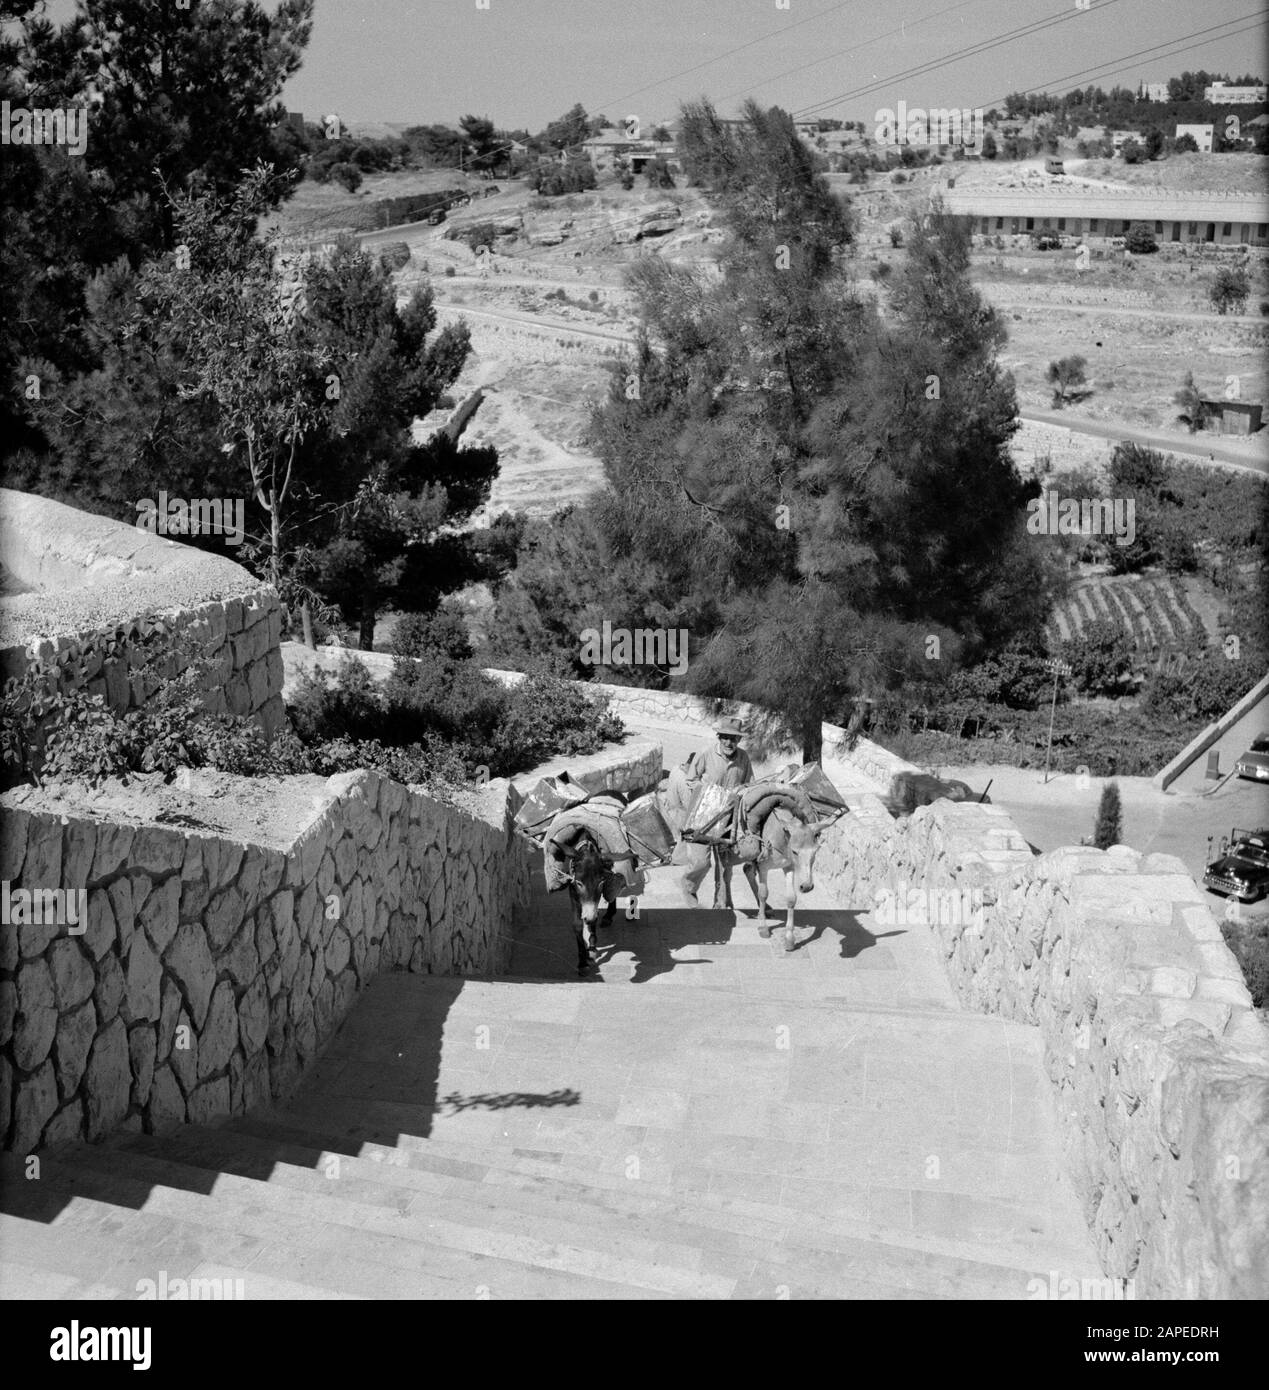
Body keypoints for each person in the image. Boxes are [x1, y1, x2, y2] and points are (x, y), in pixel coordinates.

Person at [677, 717, 753, 903]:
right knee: (701, 862)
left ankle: (720, 903)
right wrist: (707, 792)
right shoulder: (706, 753)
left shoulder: (743, 757)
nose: (729, 742)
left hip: (729, 819)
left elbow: (749, 784)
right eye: (725, 737)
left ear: (739, 741)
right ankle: (688, 887)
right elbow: (690, 779)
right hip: (704, 816)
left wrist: (741, 791)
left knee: (725, 864)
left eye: (733, 739)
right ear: (719, 737)